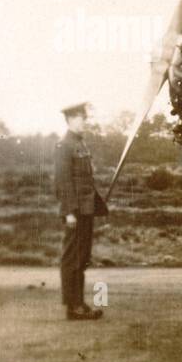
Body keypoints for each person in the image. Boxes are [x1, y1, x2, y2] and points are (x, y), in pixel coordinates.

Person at [54, 102, 107, 320]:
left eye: (84, 117)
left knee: (82, 257)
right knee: (72, 259)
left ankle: (79, 303)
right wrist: (69, 212)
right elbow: (63, 181)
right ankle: (72, 306)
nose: (84, 121)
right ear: (70, 120)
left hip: (86, 209)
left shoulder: (80, 144)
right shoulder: (64, 145)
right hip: (75, 211)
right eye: (80, 118)